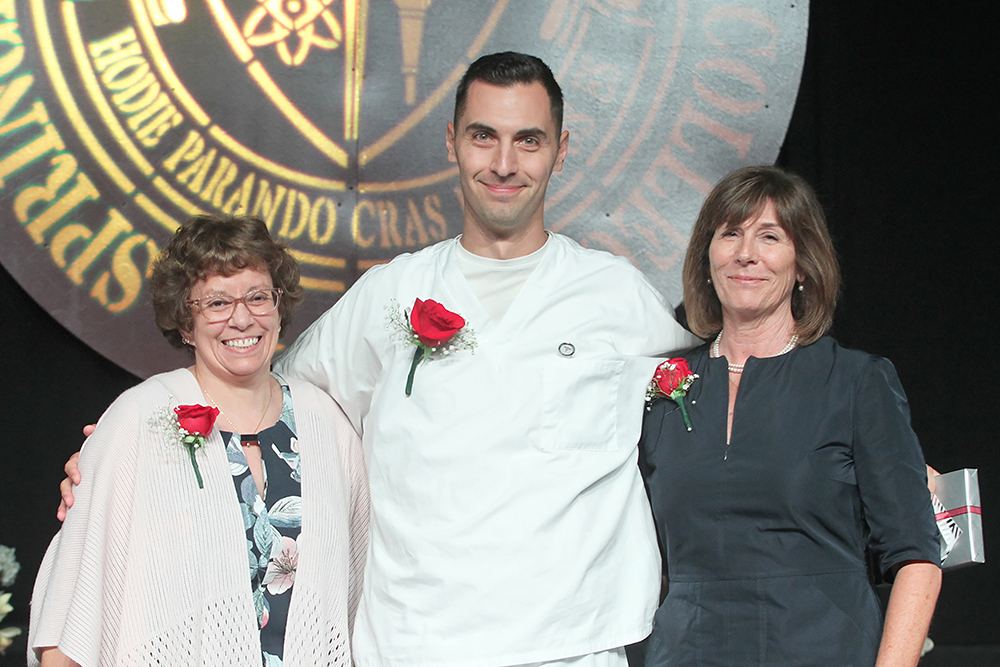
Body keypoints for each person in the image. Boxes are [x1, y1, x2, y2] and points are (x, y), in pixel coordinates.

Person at [58, 53, 697, 666]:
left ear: (562, 149)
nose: (504, 162)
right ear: (451, 142)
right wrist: (127, 458)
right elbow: (267, 401)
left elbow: (728, 397)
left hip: (574, 645)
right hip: (412, 644)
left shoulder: (619, 298)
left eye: (528, 140)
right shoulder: (389, 295)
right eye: (483, 136)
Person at [31, 215, 369, 666]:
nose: (242, 318)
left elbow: (364, 592)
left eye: (257, 296)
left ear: (279, 305)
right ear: (185, 322)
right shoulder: (140, 419)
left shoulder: (327, 423)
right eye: (216, 303)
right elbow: (71, 607)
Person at [638, 165, 941, 666]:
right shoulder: (657, 390)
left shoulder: (854, 382)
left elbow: (916, 557)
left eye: (770, 236)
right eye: (729, 233)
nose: (746, 253)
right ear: (706, 257)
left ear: (802, 263)